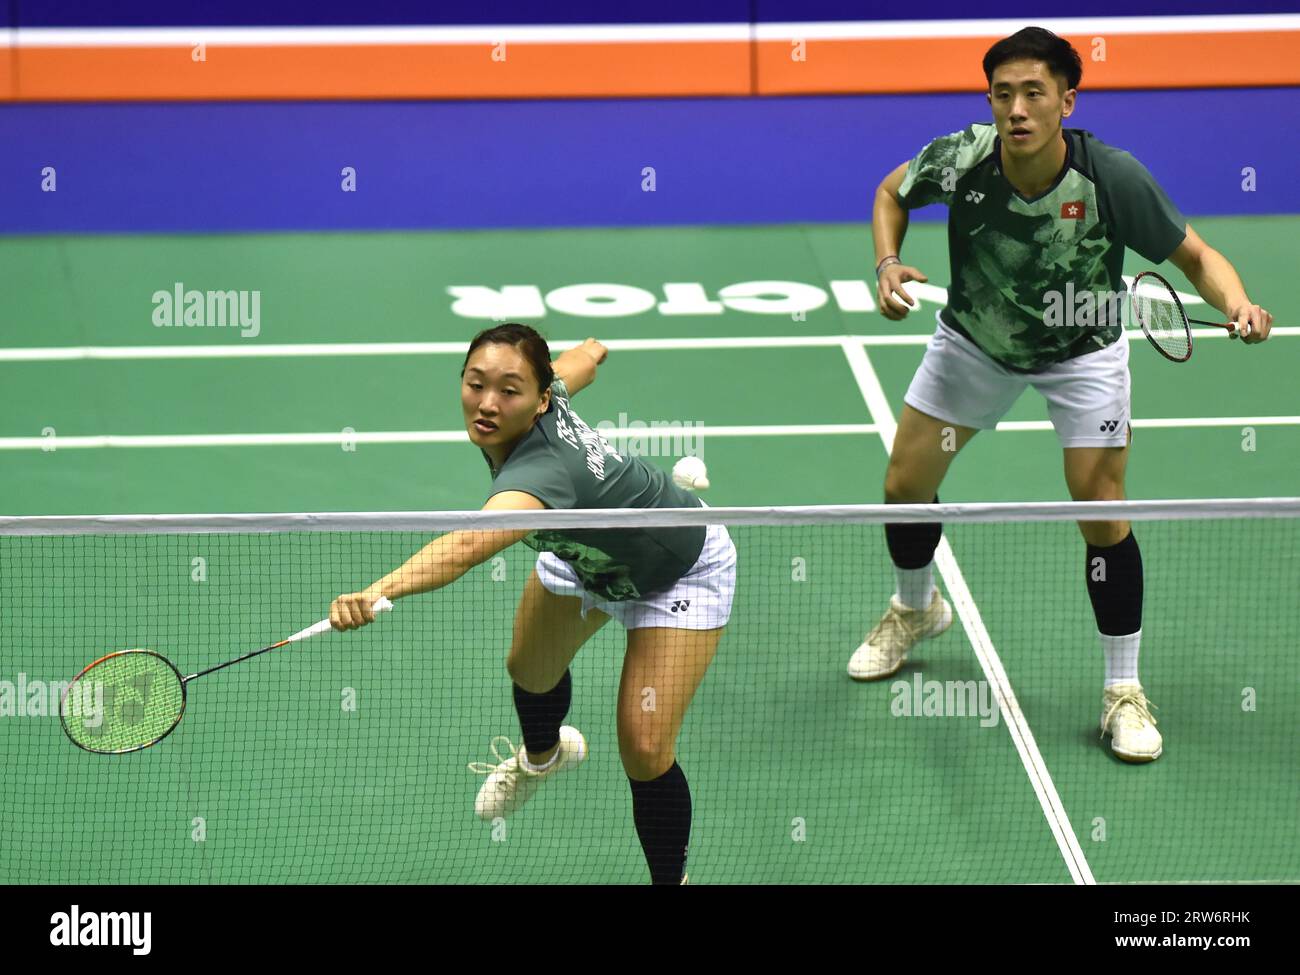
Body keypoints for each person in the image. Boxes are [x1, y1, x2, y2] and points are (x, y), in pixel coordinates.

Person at [851, 26, 1273, 762]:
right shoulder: (964, 159)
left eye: (1033, 93)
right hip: (977, 343)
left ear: (1066, 101)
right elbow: (890, 190)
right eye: (1002, 94)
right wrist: (888, 261)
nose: (1016, 108)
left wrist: (1237, 301)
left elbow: (1197, 255)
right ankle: (915, 610)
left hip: (1084, 353)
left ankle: (1123, 691)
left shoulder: (1111, 175)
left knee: (1100, 509)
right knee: (905, 483)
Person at [331, 323, 735, 883]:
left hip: (676, 571)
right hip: (584, 556)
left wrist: (379, 591)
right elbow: (576, 365)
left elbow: (469, 545)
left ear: (540, 398)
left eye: (509, 390)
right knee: (529, 667)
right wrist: (595, 348)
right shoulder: (548, 395)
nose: (488, 404)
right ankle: (543, 757)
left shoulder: (539, 476)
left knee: (644, 746)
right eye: (476, 384)